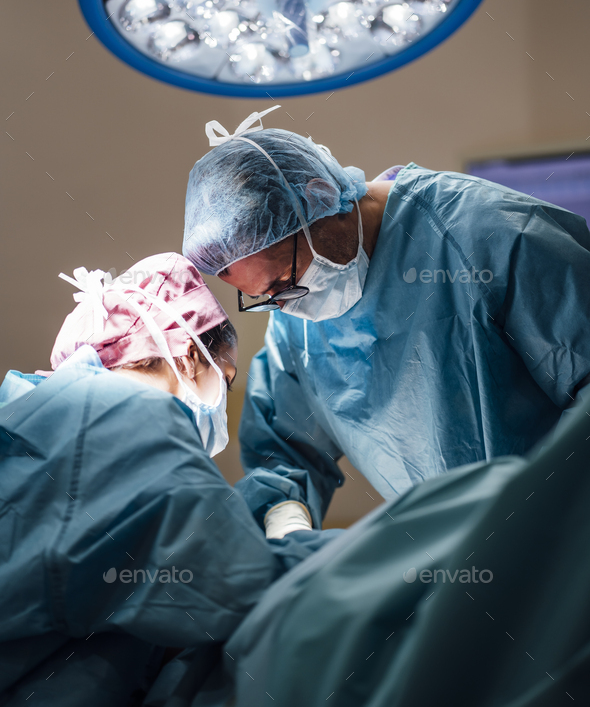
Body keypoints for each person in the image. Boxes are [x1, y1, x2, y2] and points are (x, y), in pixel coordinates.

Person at [183, 106, 590, 534]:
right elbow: (287, 453)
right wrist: (289, 527)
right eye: (263, 296)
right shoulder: (296, 317)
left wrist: (540, 523)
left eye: (284, 279)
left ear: (322, 201)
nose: (283, 304)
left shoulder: (490, 235)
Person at [0, 253, 333, 707]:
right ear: (190, 354)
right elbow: (246, 589)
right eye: (227, 378)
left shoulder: (23, 408)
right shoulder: (127, 418)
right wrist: (290, 523)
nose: (221, 404)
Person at [218, 385, 590, 707]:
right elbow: (283, 453)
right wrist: (287, 530)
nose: (267, 302)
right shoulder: (295, 342)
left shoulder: (484, 301)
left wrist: (544, 505)